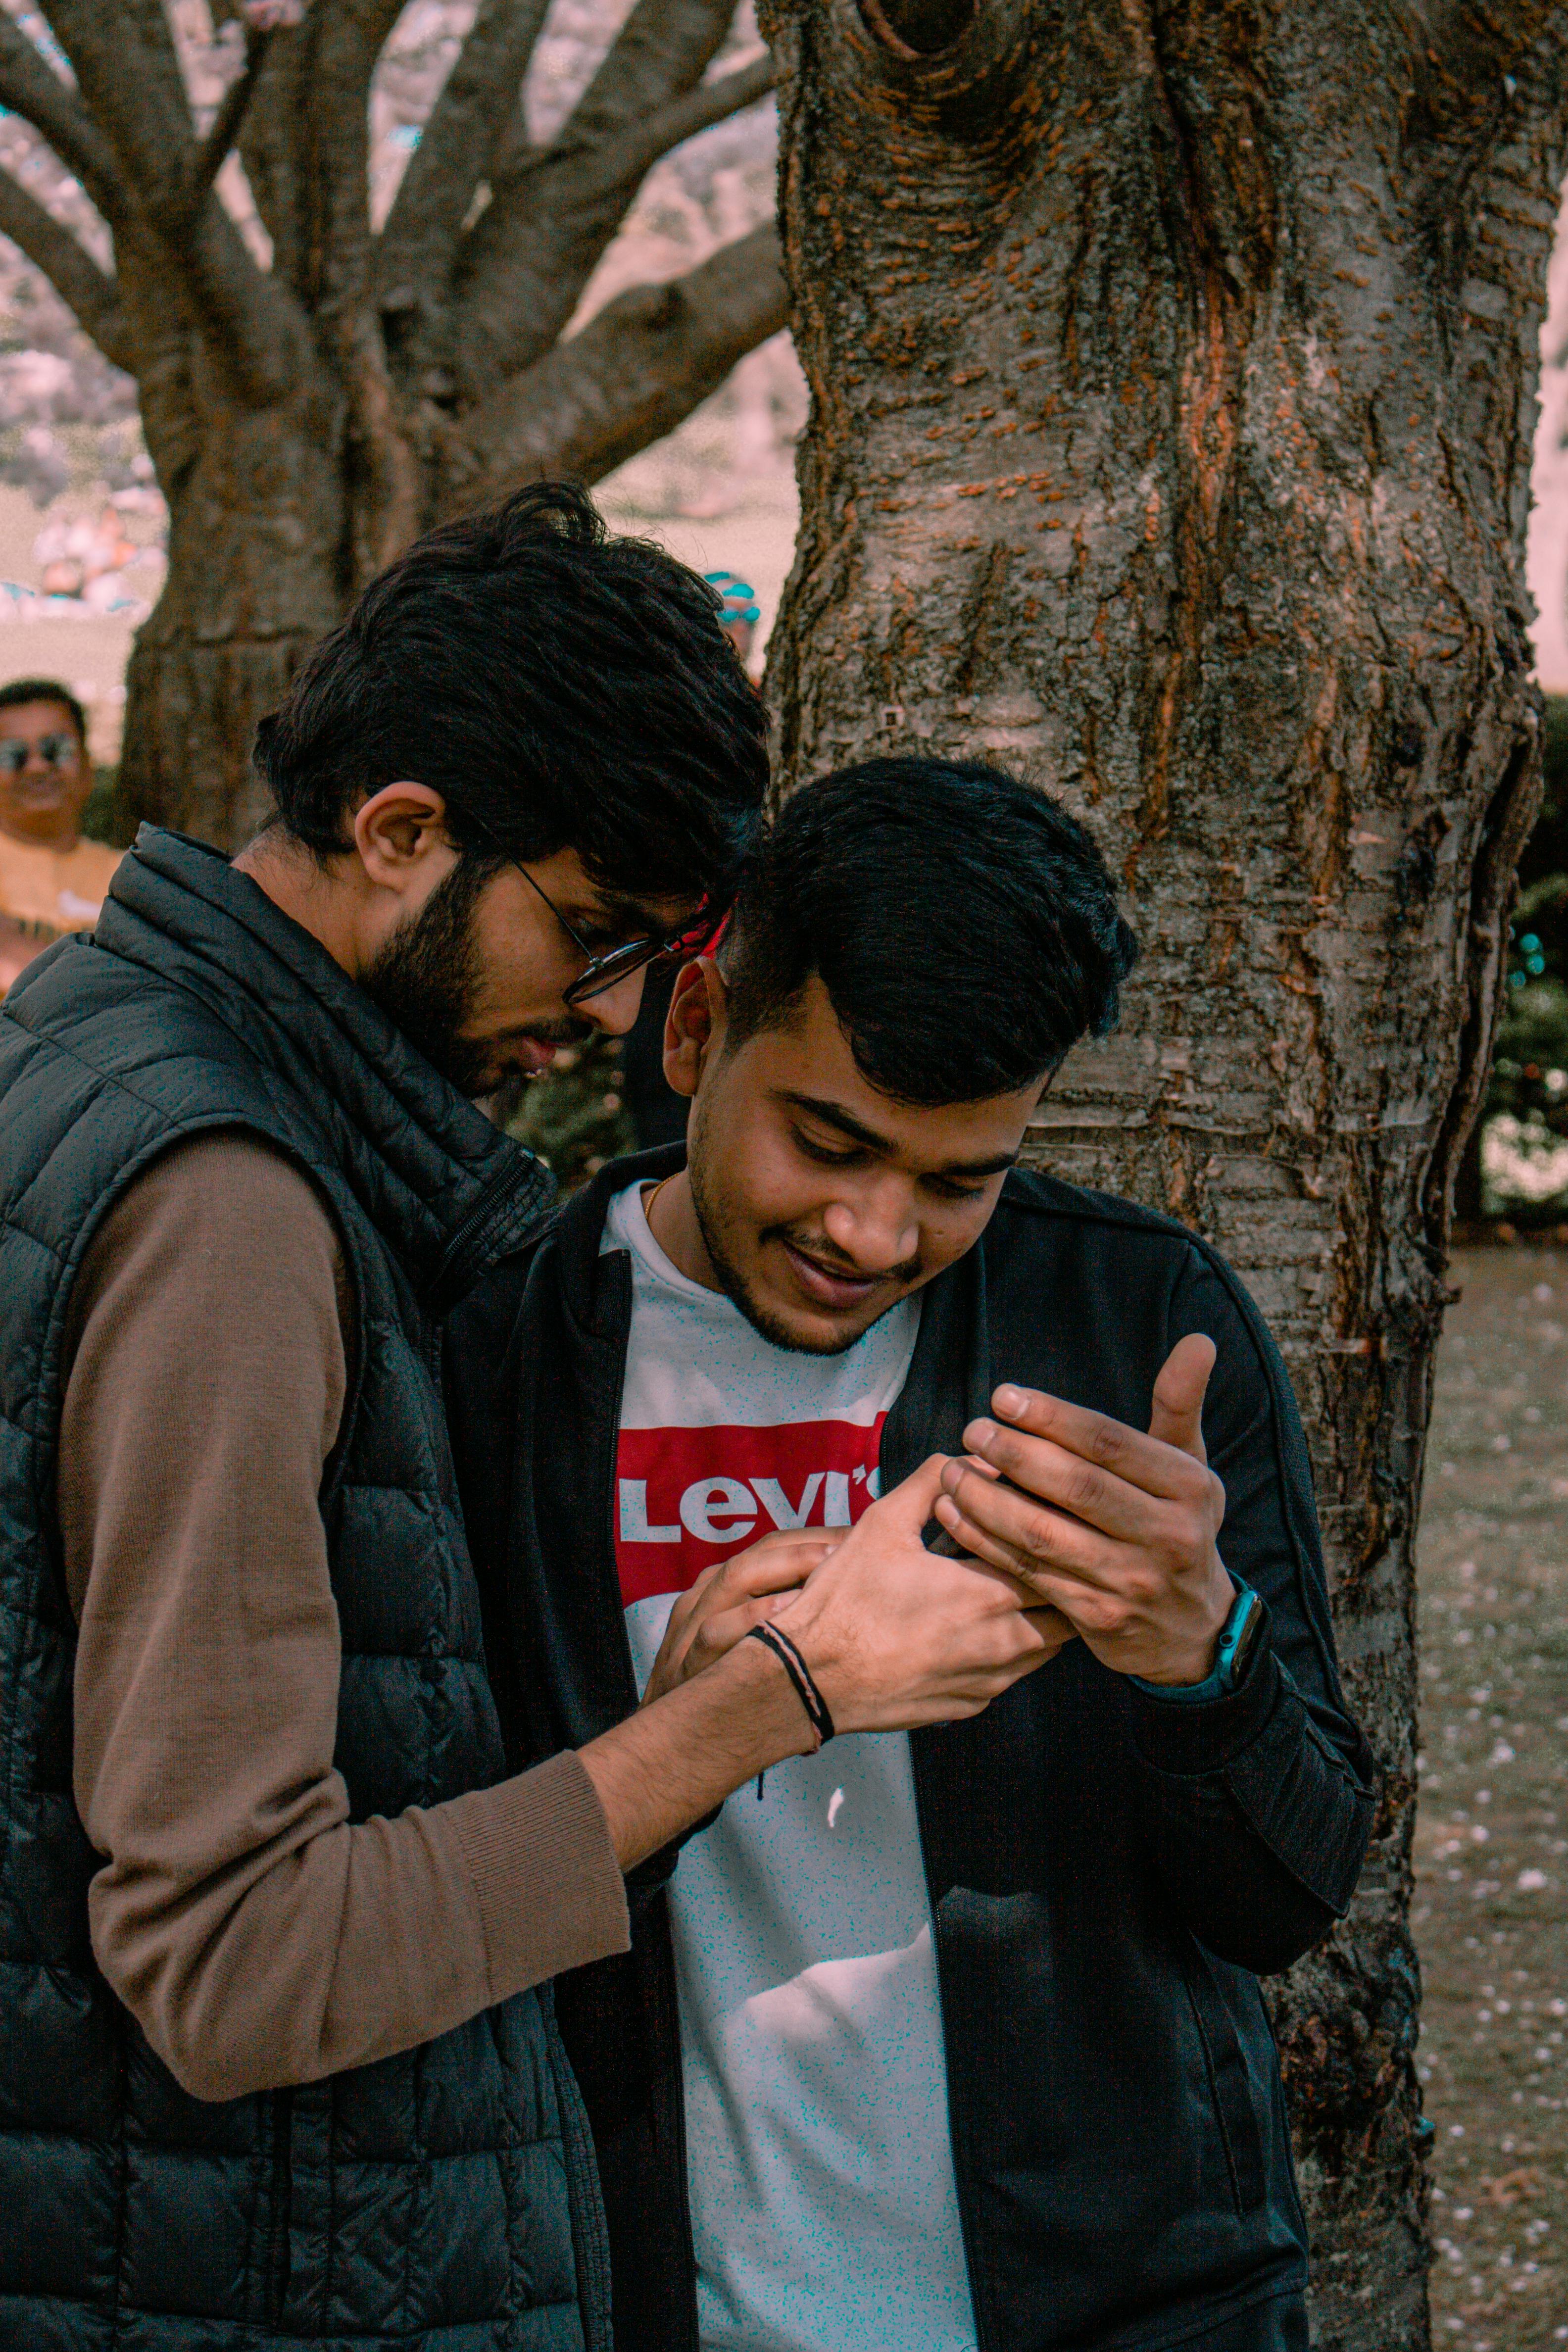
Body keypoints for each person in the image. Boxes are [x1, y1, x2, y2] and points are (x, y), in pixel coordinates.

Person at [0, 491, 1052, 2351]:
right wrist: (770, 1702)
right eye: (586, 932)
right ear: (402, 830)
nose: (605, 1015)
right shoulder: (231, 1204)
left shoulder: (95, 1052)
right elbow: (233, 1962)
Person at [451, 757, 1377, 2352]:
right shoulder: (495, 1353)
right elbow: (415, 1914)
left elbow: (1289, 1895)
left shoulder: (1134, 1328)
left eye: (960, 1181)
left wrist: (1202, 1657)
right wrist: (671, 1749)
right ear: (693, 1032)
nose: (874, 1235)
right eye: (826, 1141)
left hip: (1121, 2305)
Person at [0, 674, 121, 992]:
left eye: (56, 749)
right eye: (12, 755)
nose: (37, 767)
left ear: (87, 767)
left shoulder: (134, 875)